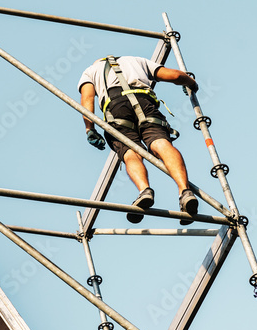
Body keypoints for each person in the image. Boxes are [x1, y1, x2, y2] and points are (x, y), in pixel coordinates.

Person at [77, 55, 200, 224]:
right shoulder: (135, 60)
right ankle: (185, 191)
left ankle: (145, 191)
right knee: (161, 143)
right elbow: (176, 75)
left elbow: (87, 99)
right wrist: (191, 83)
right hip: (145, 103)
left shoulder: (91, 71)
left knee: (130, 152)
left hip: (116, 110)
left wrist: (89, 128)